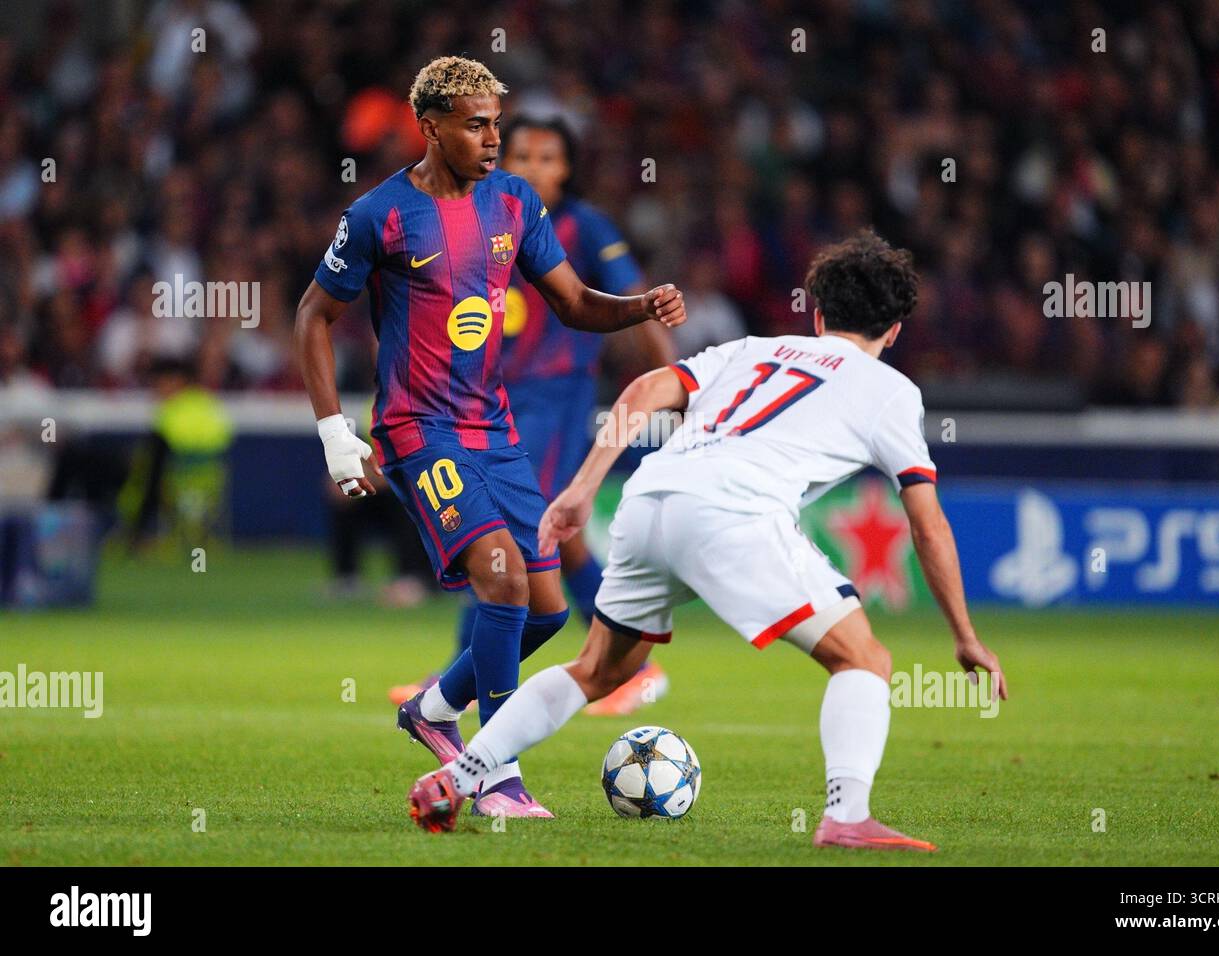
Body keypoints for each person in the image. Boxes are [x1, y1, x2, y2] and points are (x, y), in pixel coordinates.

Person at [406, 230, 1006, 849]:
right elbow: (927, 522)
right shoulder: (892, 393)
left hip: (649, 499)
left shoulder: (754, 349)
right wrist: (965, 635)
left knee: (596, 669)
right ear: (896, 330)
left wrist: (583, 489)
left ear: (819, 314)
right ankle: (846, 816)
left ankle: (459, 776)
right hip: (733, 515)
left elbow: (644, 390)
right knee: (864, 660)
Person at [294, 56, 686, 819]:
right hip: (418, 428)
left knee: (544, 609)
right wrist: (336, 435)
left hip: (493, 428)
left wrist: (639, 306)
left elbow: (573, 303)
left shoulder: (513, 202)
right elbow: (313, 315)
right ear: (431, 127)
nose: (493, 138)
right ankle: (494, 776)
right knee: (502, 580)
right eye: (476, 124)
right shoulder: (380, 215)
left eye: (496, 123)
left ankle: (434, 709)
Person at [387, 115, 673, 716]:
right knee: (554, 546)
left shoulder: (585, 227)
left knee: (509, 534)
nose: (532, 169)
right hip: (487, 399)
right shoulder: (481, 217)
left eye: (546, 158)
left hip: (553, 397)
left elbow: (631, 301)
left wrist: (669, 385)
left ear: (566, 168)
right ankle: (632, 665)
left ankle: (454, 683)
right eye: (521, 156)